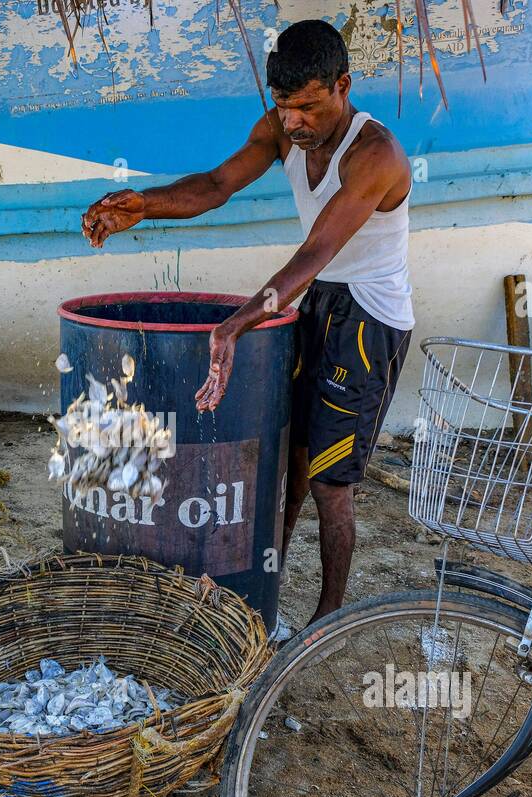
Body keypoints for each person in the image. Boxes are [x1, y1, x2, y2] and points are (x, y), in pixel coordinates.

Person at [80, 19, 414, 623]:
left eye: (309, 108)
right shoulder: (282, 130)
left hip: (369, 316)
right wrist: (141, 205)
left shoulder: (376, 154)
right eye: (285, 108)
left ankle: (325, 623)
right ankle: (263, 601)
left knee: (330, 482)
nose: (295, 124)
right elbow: (213, 185)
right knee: (288, 462)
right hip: (309, 302)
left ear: (343, 85)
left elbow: (316, 251)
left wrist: (235, 324)